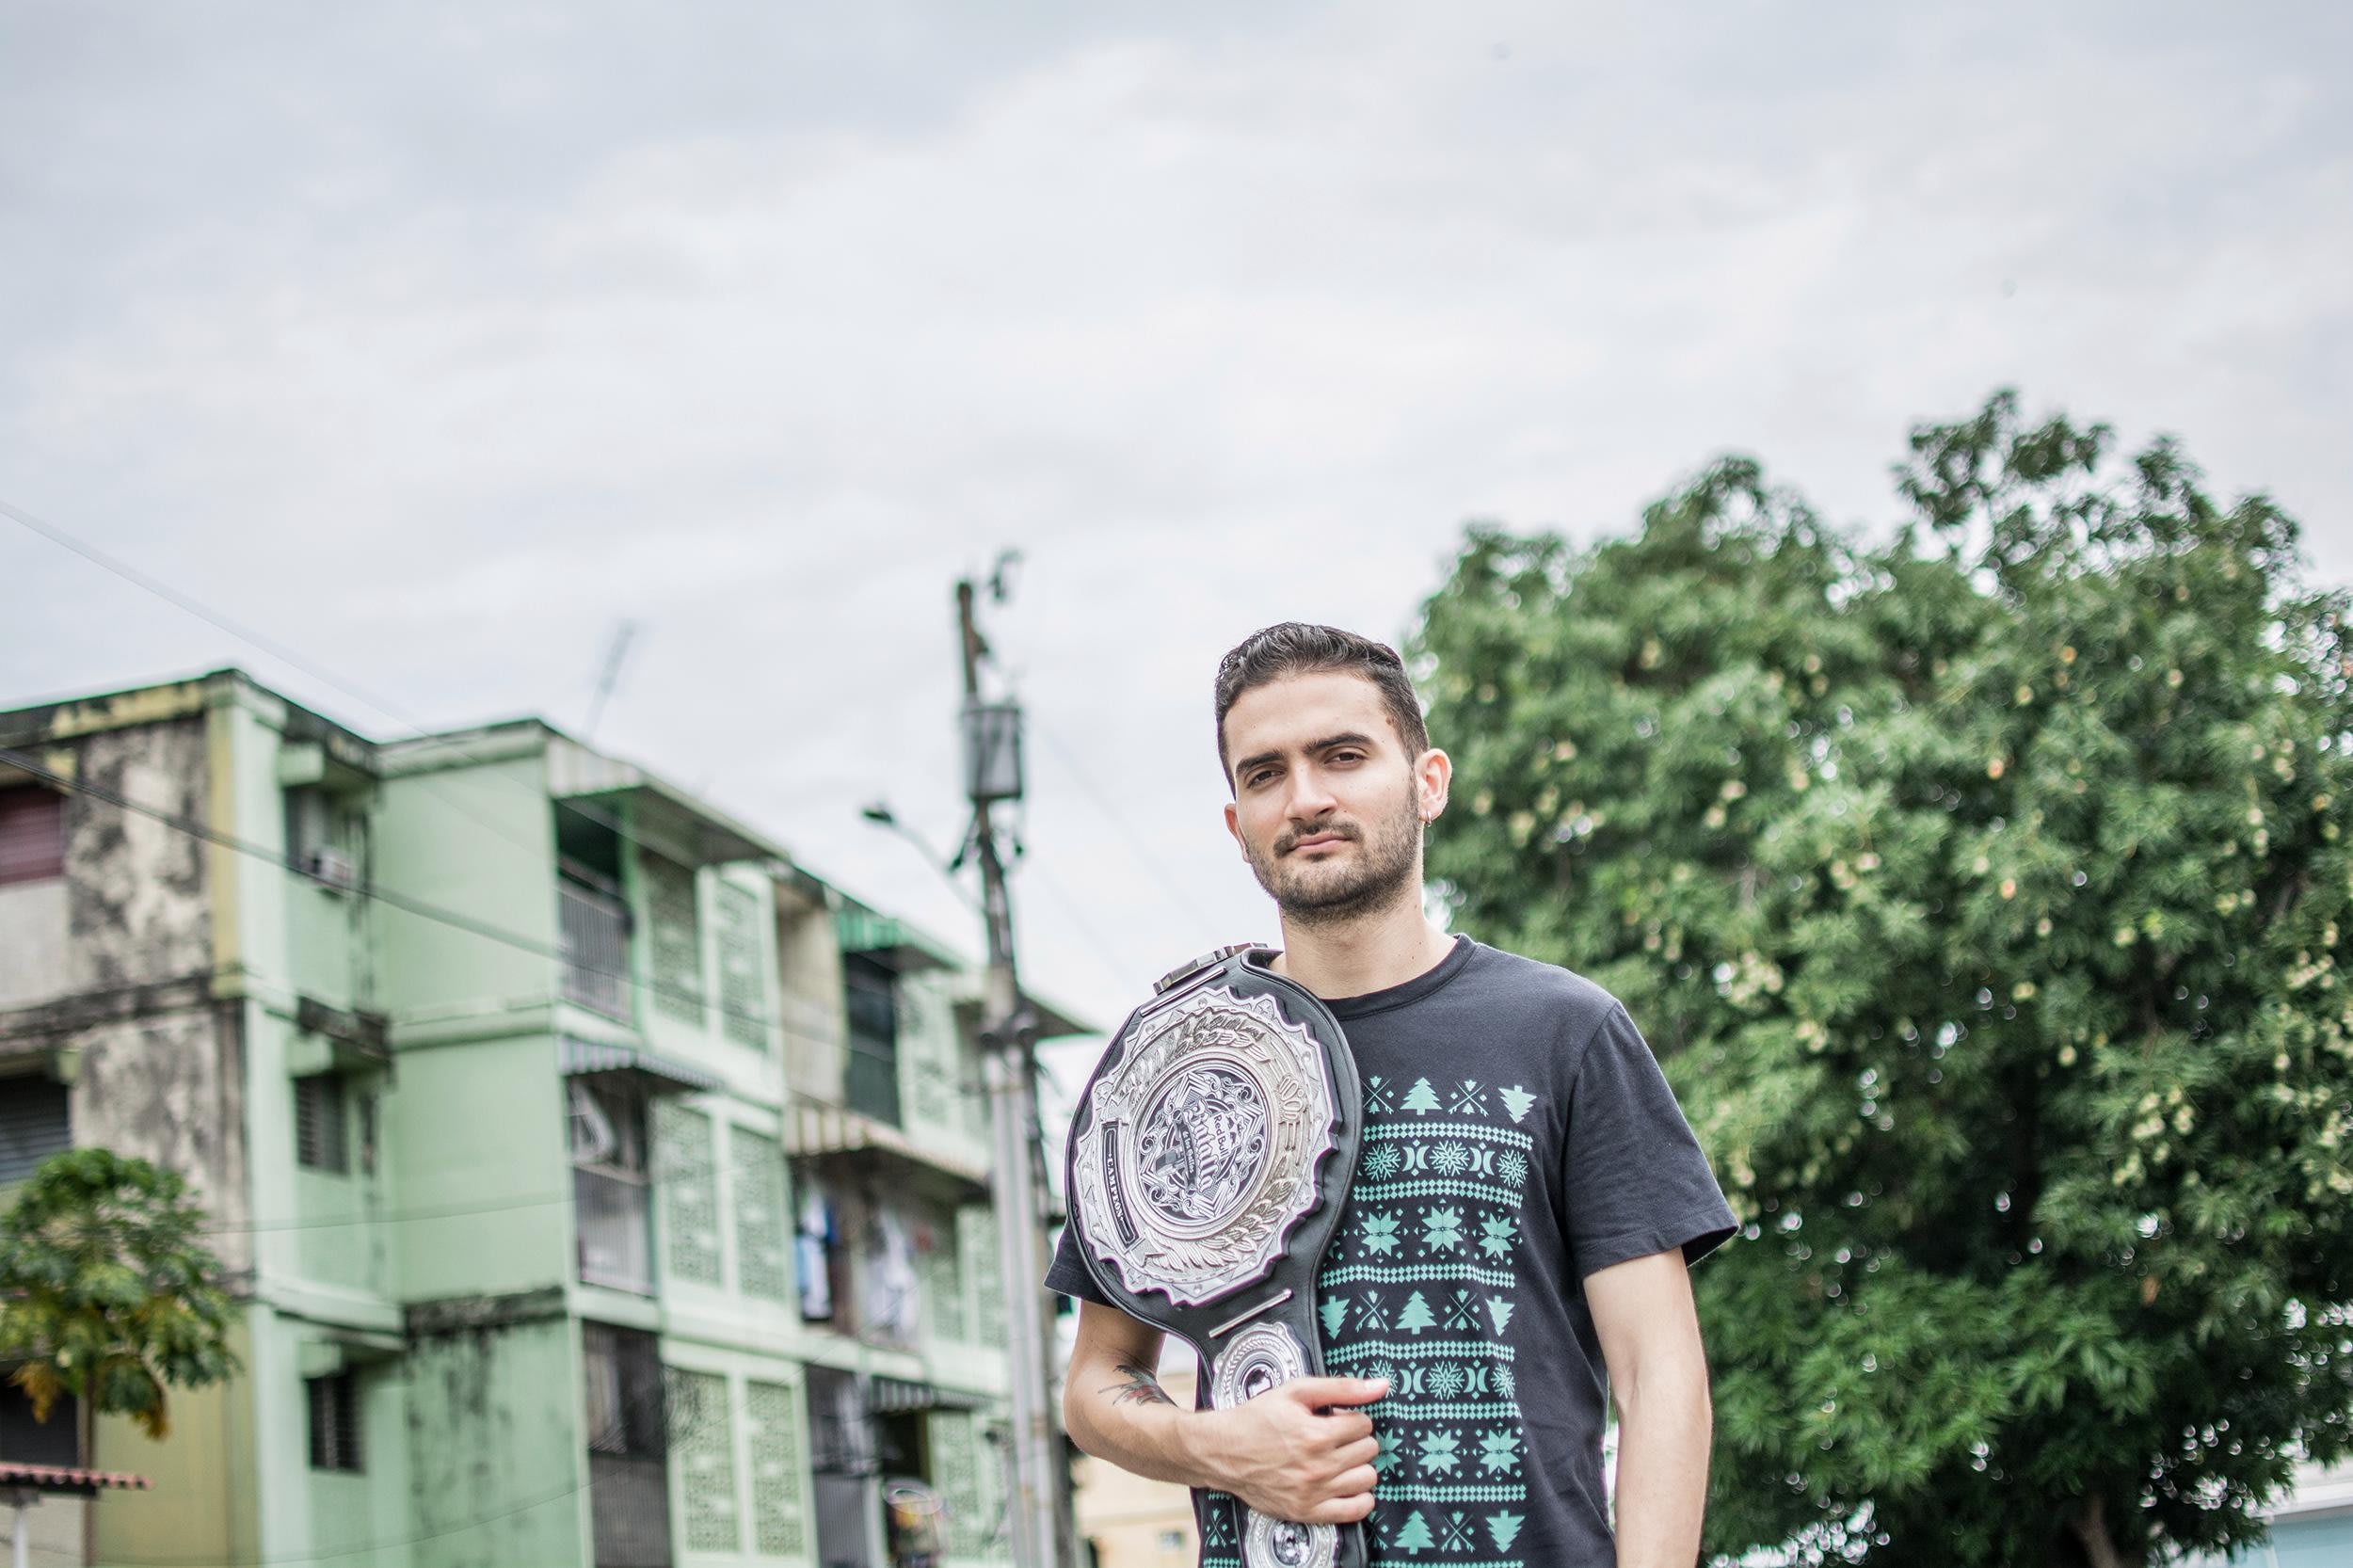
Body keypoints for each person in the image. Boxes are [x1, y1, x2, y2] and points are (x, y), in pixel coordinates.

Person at [1046, 622, 1737, 1567]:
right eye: (1265, 773)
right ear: (1235, 824)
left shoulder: (1565, 1030)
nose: (1307, 797)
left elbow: (1658, 1373)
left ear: (1427, 779)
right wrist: (1215, 1448)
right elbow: (1095, 1380)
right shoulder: (1176, 1066)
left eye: (1342, 755)